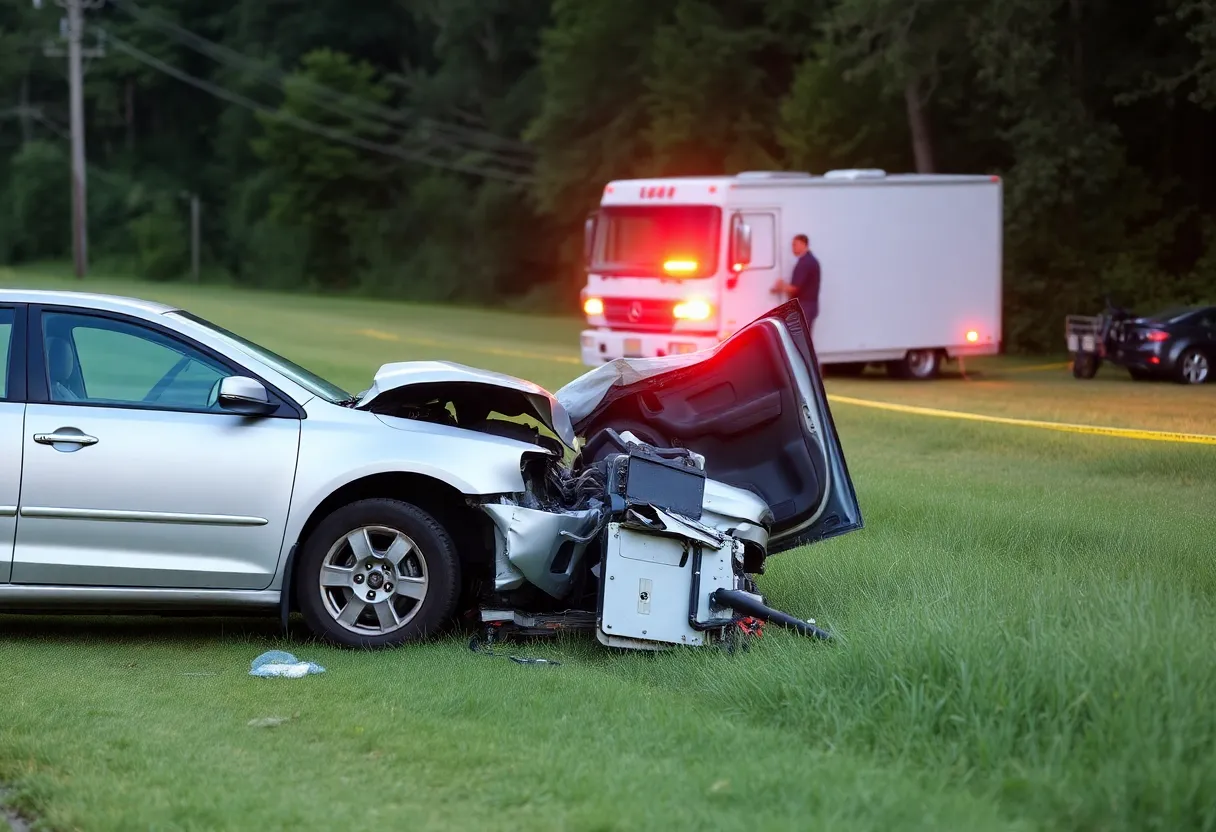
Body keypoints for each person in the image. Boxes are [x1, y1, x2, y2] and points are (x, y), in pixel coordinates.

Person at [772, 234, 821, 338]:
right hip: (809, 306)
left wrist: (780, 286)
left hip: (805, 307)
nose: (793, 248)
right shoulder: (810, 260)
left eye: (795, 245)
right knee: (803, 338)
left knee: (801, 339)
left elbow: (794, 288)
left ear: (803, 244)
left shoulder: (805, 263)